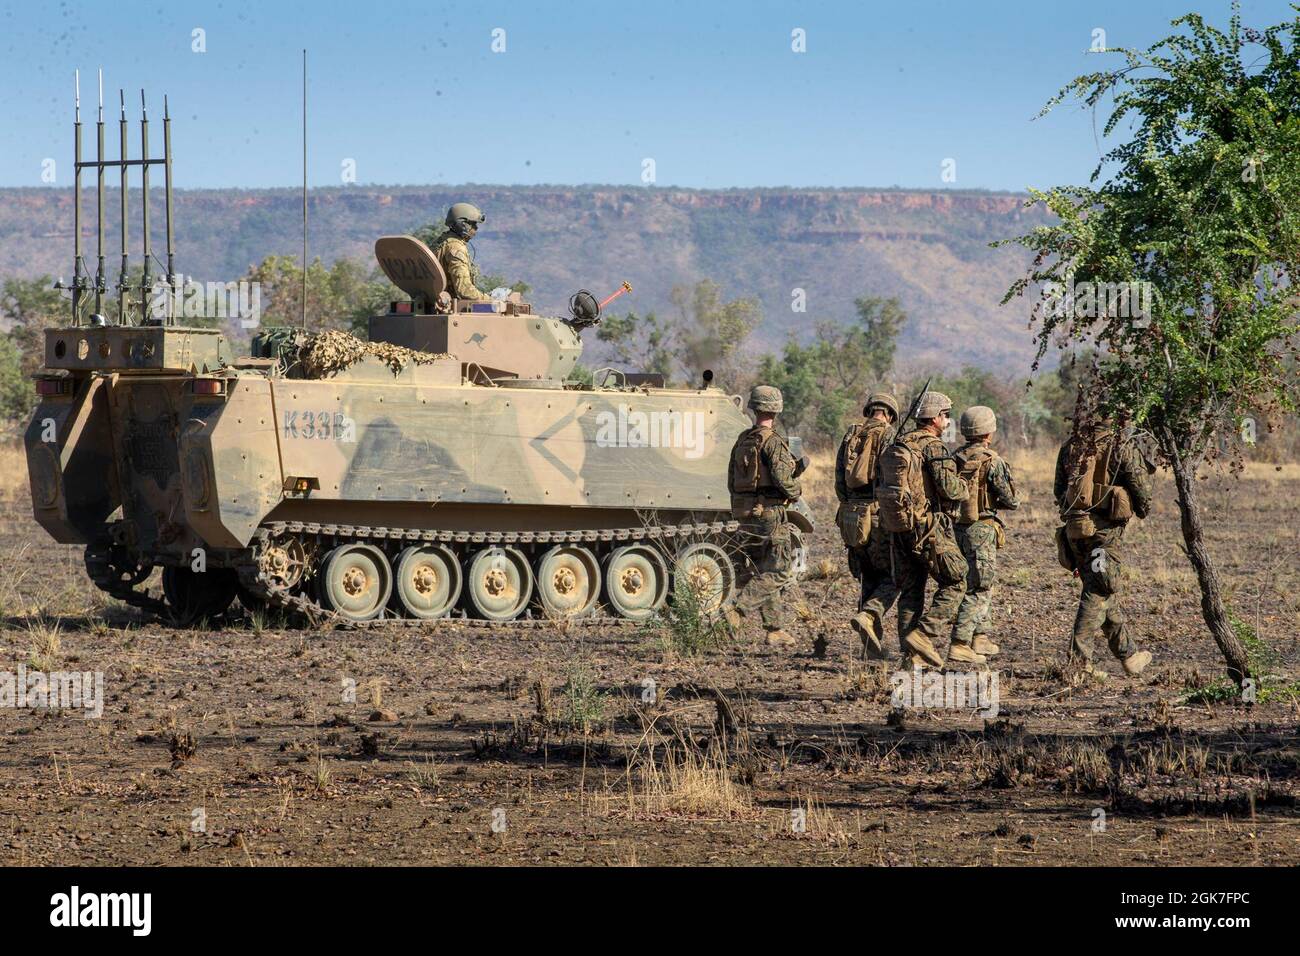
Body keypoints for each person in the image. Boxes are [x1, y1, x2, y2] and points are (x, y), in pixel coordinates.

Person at [878, 391, 974, 668]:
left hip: (899, 526)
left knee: (911, 590)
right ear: (934, 418)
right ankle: (924, 634)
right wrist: (964, 485)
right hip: (928, 526)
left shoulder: (898, 443)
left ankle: (911, 659)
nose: (948, 421)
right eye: (946, 415)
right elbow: (950, 489)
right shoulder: (934, 446)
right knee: (957, 580)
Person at [1054, 414, 1154, 680]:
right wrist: (1139, 508)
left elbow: (1058, 490)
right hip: (1104, 533)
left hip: (1075, 531)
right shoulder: (1121, 446)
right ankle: (1078, 664)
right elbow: (1142, 493)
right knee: (1098, 590)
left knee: (1101, 588)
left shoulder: (1070, 447)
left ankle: (1129, 655)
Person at [725, 385, 804, 648]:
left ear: (755, 408)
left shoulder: (742, 439)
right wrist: (796, 489)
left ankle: (775, 629)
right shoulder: (773, 441)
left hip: (745, 513)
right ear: (776, 410)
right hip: (770, 514)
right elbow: (783, 479)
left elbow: (731, 480)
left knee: (763, 571)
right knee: (780, 571)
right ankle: (737, 611)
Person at [949, 406, 1019, 658]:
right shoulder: (993, 461)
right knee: (979, 587)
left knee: (972, 584)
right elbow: (1011, 500)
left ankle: (981, 637)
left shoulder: (953, 457)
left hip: (956, 529)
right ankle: (960, 643)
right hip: (982, 530)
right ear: (989, 431)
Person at [835, 392, 901, 659]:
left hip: (850, 516)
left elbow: (839, 481)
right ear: (890, 414)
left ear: (870, 410)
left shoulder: (851, 434)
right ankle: (870, 613)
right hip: (877, 517)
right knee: (894, 576)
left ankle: (870, 648)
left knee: (867, 577)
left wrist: (851, 504)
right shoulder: (889, 436)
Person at [432, 202, 491, 305]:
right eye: (473, 224)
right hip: (449, 307)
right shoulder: (456, 248)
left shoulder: (440, 241)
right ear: (463, 224)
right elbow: (464, 290)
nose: (476, 228)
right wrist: (491, 299)